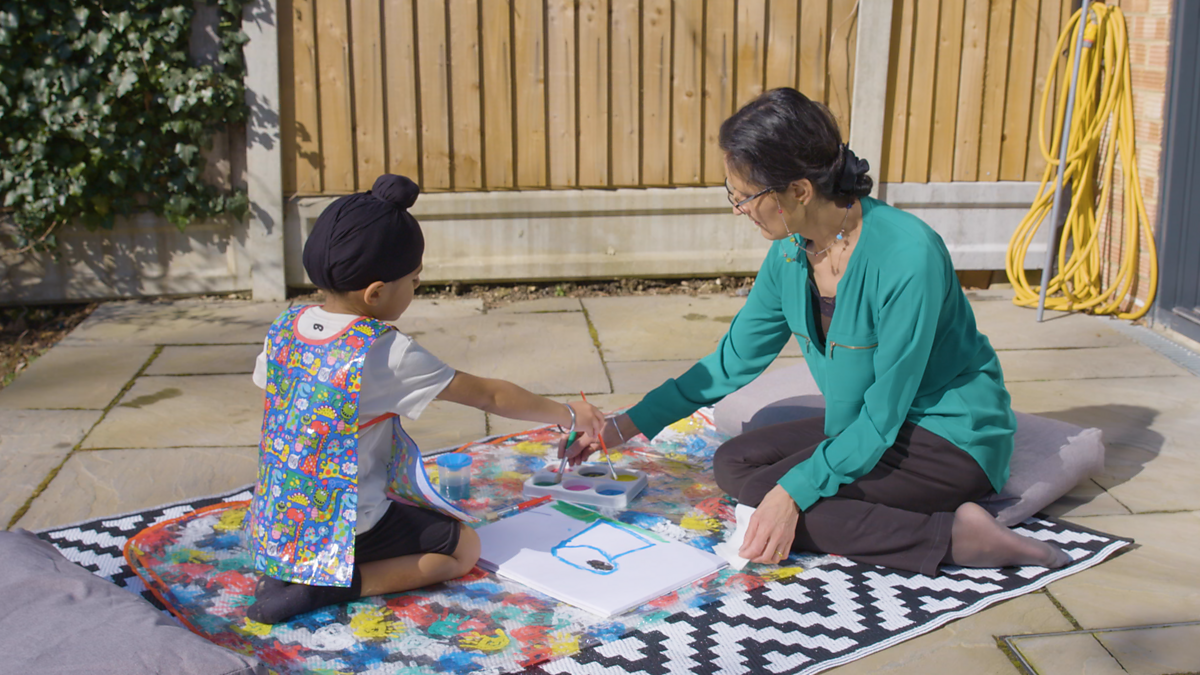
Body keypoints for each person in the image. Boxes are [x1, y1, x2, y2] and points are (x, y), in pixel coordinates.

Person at [564, 88, 1070, 576]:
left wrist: (793, 492)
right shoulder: (789, 252)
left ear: (799, 191)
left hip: (947, 438)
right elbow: (729, 363)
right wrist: (621, 427)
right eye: (732, 194)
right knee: (735, 463)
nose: (738, 209)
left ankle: (957, 540)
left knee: (774, 498)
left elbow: (884, 413)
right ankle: (920, 522)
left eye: (744, 197)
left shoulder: (908, 257)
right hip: (863, 427)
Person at [245, 174, 605, 624]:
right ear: (376, 292)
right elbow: (490, 395)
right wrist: (569, 412)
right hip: (348, 523)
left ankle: (292, 569)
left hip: (277, 515)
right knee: (463, 550)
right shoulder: (384, 352)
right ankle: (332, 585)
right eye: (414, 281)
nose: (415, 290)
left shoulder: (285, 326)